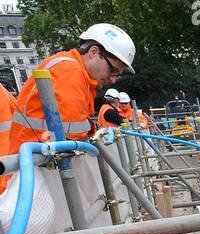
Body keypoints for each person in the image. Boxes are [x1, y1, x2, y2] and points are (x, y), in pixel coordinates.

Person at [7, 22, 135, 154]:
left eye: (117, 74)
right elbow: (73, 136)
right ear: (93, 52)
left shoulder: (78, 73)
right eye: (113, 70)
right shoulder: (70, 72)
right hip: (39, 163)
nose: (113, 79)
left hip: (40, 159)